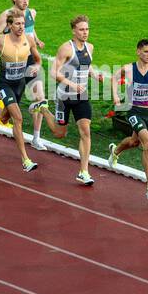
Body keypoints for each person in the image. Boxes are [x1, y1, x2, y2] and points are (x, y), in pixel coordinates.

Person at [0, 10, 41, 172]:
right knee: (17, 119)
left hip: (19, 84)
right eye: (17, 24)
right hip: (5, 84)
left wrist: (35, 67)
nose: (21, 27)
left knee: (5, 118)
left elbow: (38, 60)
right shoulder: (0, 42)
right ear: (10, 25)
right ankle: (25, 160)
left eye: (23, 24)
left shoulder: (29, 40)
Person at [35, 15, 97, 185]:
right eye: (82, 30)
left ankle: (84, 171)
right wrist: (72, 84)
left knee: (85, 131)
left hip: (81, 97)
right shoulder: (65, 48)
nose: (85, 33)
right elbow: (54, 72)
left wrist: (94, 74)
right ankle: (43, 109)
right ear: (74, 31)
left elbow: (85, 65)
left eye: (87, 29)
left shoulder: (90, 47)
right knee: (59, 133)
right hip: (64, 97)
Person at [109, 39, 148, 201]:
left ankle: (115, 151)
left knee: (135, 142)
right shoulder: (128, 69)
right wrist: (115, 96)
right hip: (133, 111)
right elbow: (114, 78)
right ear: (138, 52)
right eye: (145, 51)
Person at [0, 0, 47, 149]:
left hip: (30, 60)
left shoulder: (31, 13)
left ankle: (36, 138)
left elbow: (31, 29)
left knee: (40, 99)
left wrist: (36, 40)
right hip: (14, 61)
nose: (25, 1)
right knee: (7, 110)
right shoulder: (6, 15)